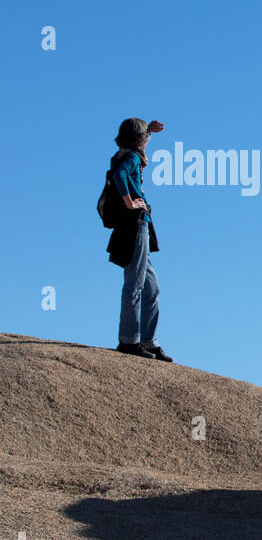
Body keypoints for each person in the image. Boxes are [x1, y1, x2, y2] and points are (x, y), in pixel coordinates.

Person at [107, 118, 173, 362]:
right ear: (139, 141)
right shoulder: (131, 159)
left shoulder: (125, 153)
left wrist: (150, 131)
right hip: (135, 225)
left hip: (138, 225)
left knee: (152, 286)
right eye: (145, 137)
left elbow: (127, 158)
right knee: (134, 285)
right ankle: (129, 340)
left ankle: (148, 340)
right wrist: (130, 201)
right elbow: (120, 175)